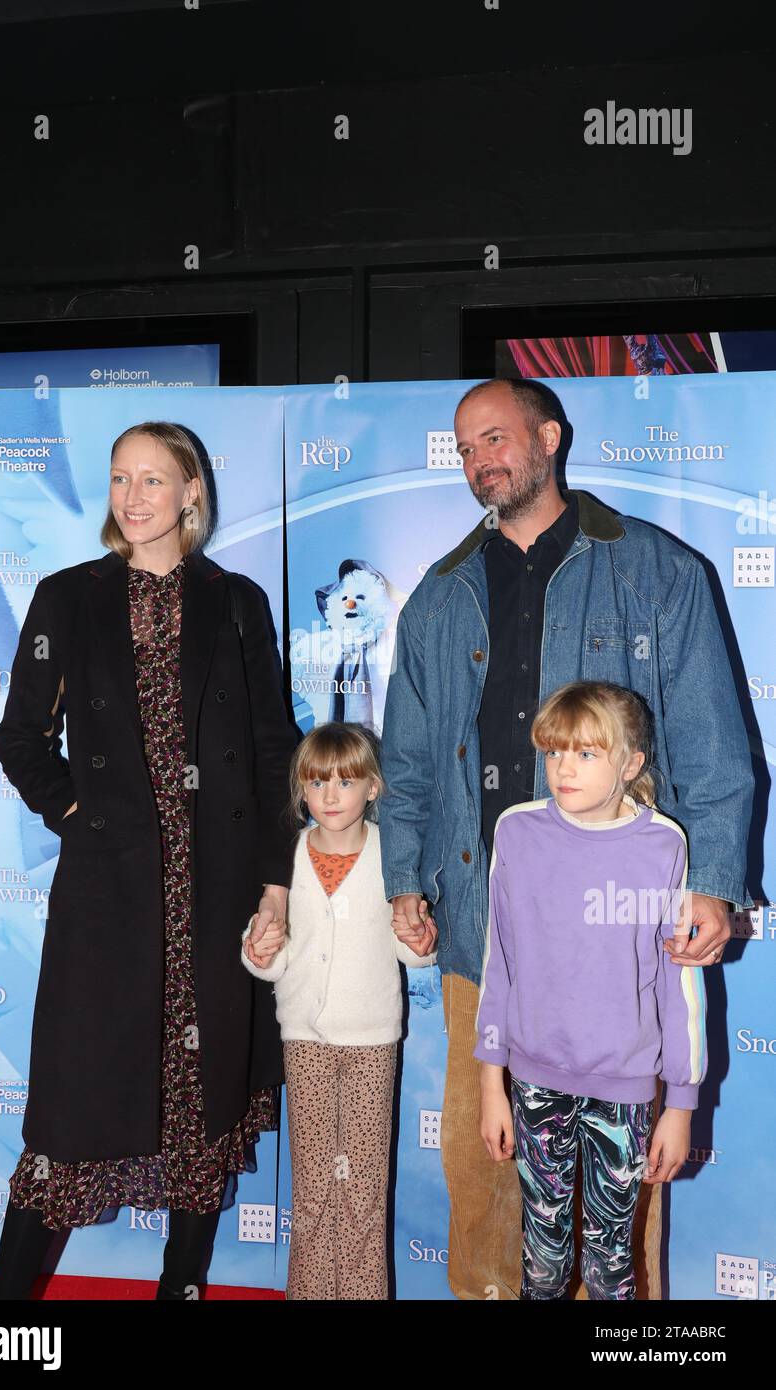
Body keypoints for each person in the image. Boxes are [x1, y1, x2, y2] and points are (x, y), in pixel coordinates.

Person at [379, 377, 755, 1300]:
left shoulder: (657, 571)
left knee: (618, 1209)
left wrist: (710, 879)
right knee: (485, 1183)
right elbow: (412, 761)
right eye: (466, 448)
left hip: (619, 942)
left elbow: (713, 745)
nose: (480, 461)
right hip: (484, 932)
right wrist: (405, 882)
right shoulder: (437, 596)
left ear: (550, 437)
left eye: (497, 438)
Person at [0, 420, 299, 1300]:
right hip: (110, 892)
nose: (132, 497)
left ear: (191, 492)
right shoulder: (67, 598)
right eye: (120, 478)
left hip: (218, 889)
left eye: (153, 480)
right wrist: (79, 813)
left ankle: (181, 1290)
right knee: (67, 1117)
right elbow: (18, 738)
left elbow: (274, 750)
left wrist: (274, 886)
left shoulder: (236, 603)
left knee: (203, 1111)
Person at [476, 679, 705, 1300]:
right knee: (543, 1261)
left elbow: (679, 984)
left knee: (611, 1266)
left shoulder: (664, 845)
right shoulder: (516, 832)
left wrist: (680, 1106)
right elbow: (501, 961)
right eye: (553, 753)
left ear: (630, 764)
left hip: (623, 1094)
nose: (562, 769)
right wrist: (491, 1083)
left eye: (585, 754)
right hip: (532, 1083)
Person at [241, 721, 436, 1299]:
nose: (330, 796)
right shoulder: (288, 860)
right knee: (314, 1184)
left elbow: (412, 950)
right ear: (301, 789)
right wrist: (257, 948)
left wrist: (421, 937)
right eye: (317, 782)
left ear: (374, 788)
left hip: (372, 1041)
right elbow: (269, 958)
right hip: (303, 1039)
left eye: (346, 782)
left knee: (362, 1186)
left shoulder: (391, 856)